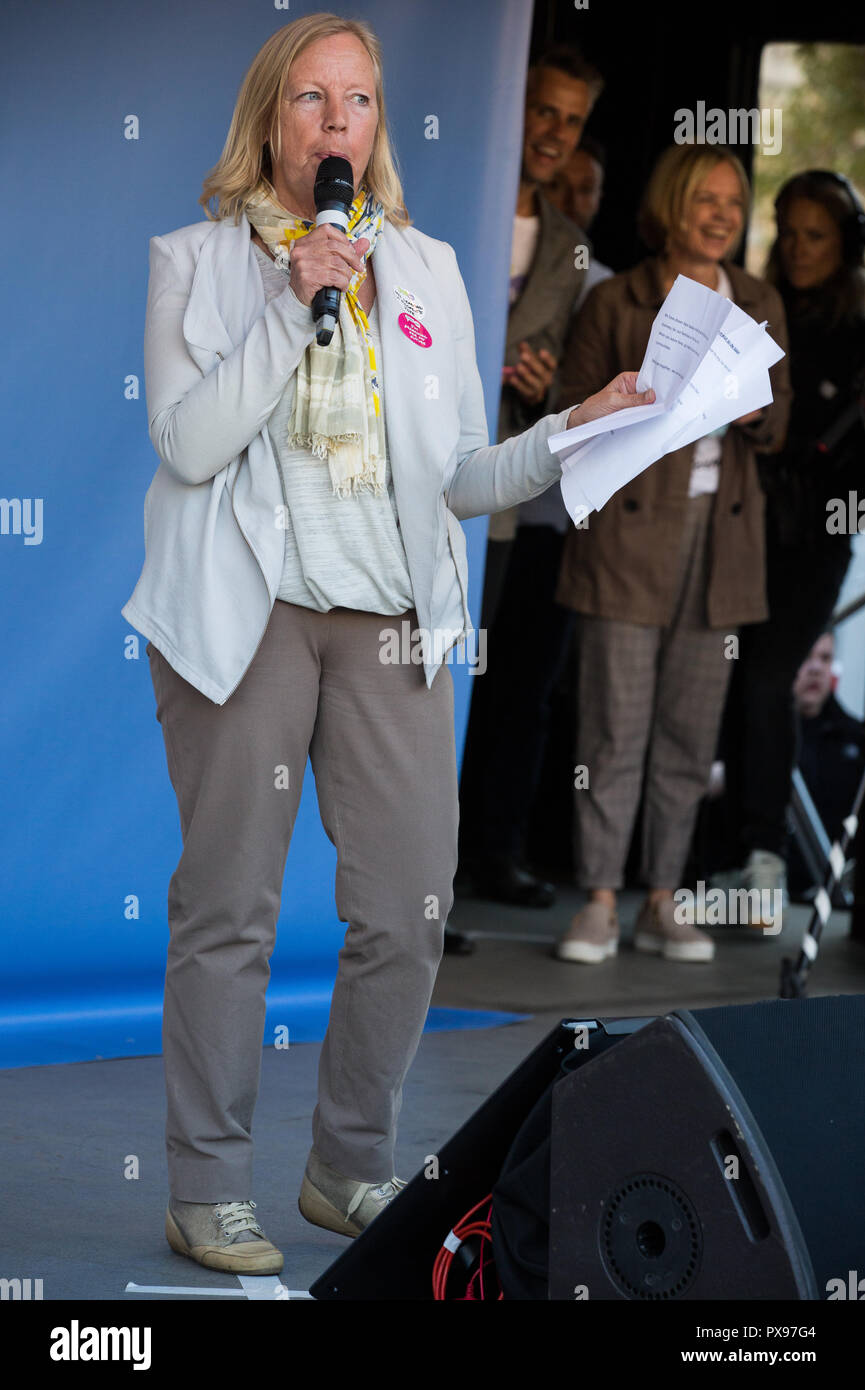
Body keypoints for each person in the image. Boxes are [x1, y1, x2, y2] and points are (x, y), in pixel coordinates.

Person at [120, 11, 654, 1275]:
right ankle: (205, 1187)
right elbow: (189, 443)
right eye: (309, 100)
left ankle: (348, 1166)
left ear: (377, 126)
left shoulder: (423, 269)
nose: (335, 122)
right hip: (244, 624)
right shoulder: (192, 262)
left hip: (393, 623)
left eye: (356, 101)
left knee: (410, 910)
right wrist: (292, 293)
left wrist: (577, 422)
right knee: (229, 910)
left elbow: (466, 475)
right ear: (271, 122)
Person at [552, 143, 791, 964]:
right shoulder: (619, 298)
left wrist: (743, 403)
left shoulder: (759, 300)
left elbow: (780, 418)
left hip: (722, 545)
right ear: (671, 206)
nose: (723, 214)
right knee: (613, 732)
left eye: (734, 201)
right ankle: (598, 901)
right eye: (706, 199)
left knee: (690, 735)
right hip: (626, 538)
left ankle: (662, 899)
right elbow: (567, 413)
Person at [457, 45, 603, 910]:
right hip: (409, 484)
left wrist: (544, 389)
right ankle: (409, 887)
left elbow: (566, 393)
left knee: (487, 688)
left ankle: (473, 864)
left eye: (572, 120)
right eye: (543, 110)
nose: (553, 132)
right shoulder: (438, 208)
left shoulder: (573, 247)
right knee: (413, 687)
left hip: (502, 502)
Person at [710, 170, 865, 920]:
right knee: (730, 679)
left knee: (770, 677)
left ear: (848, 245)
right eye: (790, 232)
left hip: (820, 537)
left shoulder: (861, 325)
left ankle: (764, 859)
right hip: (745, 523)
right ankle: (739, 858)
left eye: (818, 236)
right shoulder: (754, 306)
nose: (799, 250)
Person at [786, 631, 865, 897]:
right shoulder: (752, 740)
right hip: (768, 897)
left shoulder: (856, 738)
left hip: (834, 896)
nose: (816, 668)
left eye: (825, 658)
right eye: (806, 656)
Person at [544, 136, 614, 312]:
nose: (572, 202)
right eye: (556, 185)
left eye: (586, 189)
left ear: (599, 198)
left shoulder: (604, 285)